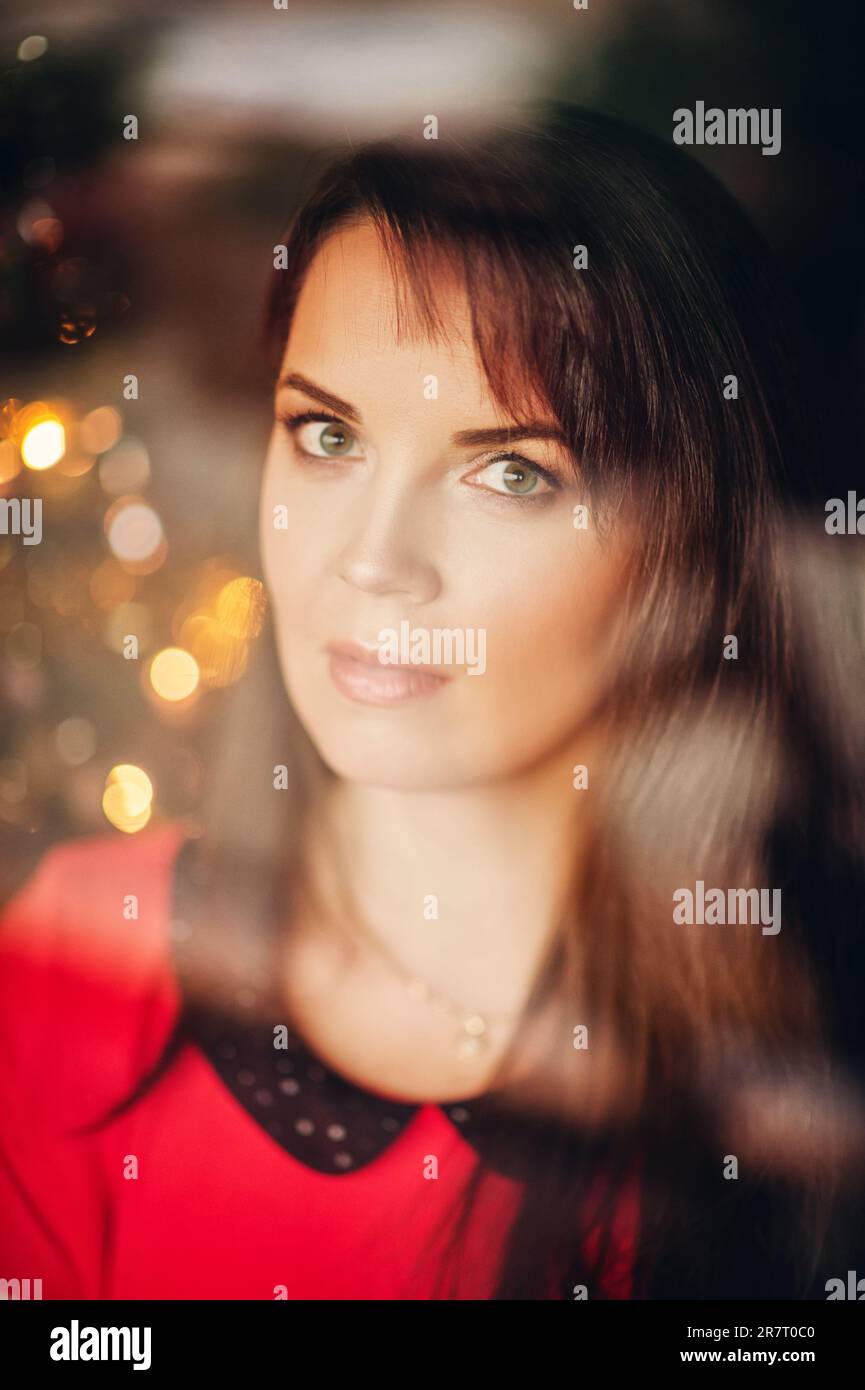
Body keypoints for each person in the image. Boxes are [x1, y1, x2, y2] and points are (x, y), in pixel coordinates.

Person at [2, 104, 864, 1301]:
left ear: (700, 549)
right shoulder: (74, 965)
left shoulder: (804, 1081)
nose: (372, 558)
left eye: (510, 470)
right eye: (326, 433)